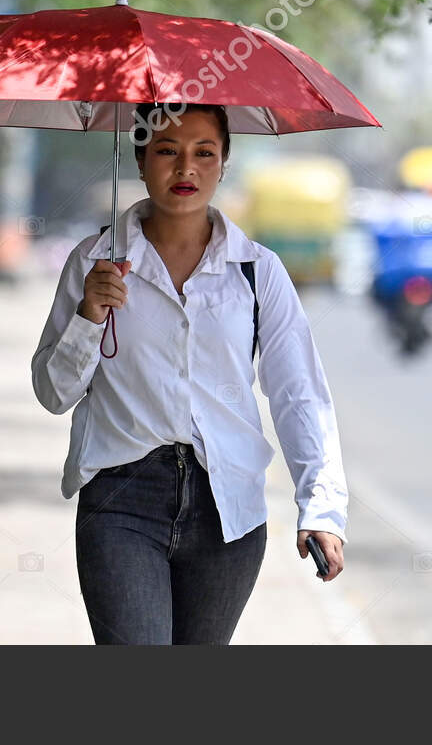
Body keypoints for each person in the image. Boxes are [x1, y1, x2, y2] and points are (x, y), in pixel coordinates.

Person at [30, 101, 349, 644]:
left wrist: (321, 507)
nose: (186, 169)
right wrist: (89, 315)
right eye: (166, 151)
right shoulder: (94, 263)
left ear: (224, 163)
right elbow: (53, 393)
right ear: (139, 159)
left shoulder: (257, 272)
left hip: (228, 511)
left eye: (204, 152)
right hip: (121, 501)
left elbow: (299, 394)